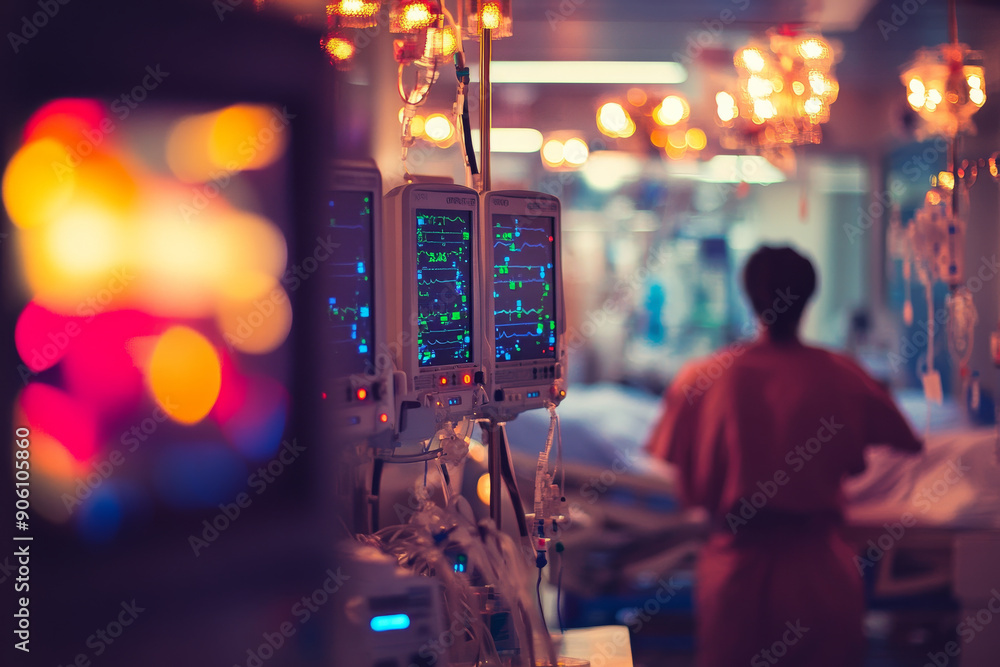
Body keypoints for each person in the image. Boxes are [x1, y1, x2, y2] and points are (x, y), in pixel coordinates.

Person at [646, 246, 923, 667]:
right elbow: (908, 443)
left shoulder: (701, 379)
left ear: (749, 296)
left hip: (735, 578)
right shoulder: (843, 374)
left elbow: (684, 484)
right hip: (819, 577)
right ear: (809, 297)